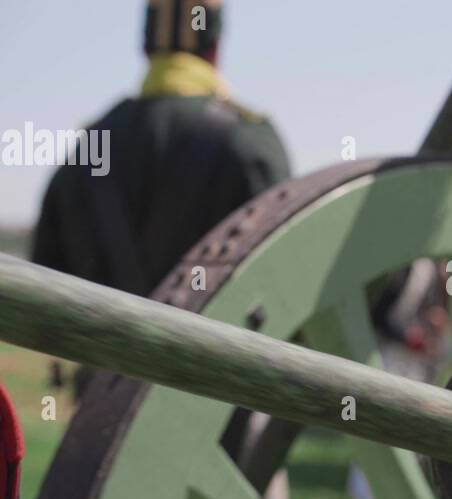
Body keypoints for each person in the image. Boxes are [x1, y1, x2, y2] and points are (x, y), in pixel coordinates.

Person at [31, 0, 290, 300]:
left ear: (145, 48)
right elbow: (284, 275)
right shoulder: (249, 139)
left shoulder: (88, 146)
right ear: (216, 48)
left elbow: (46, 282)